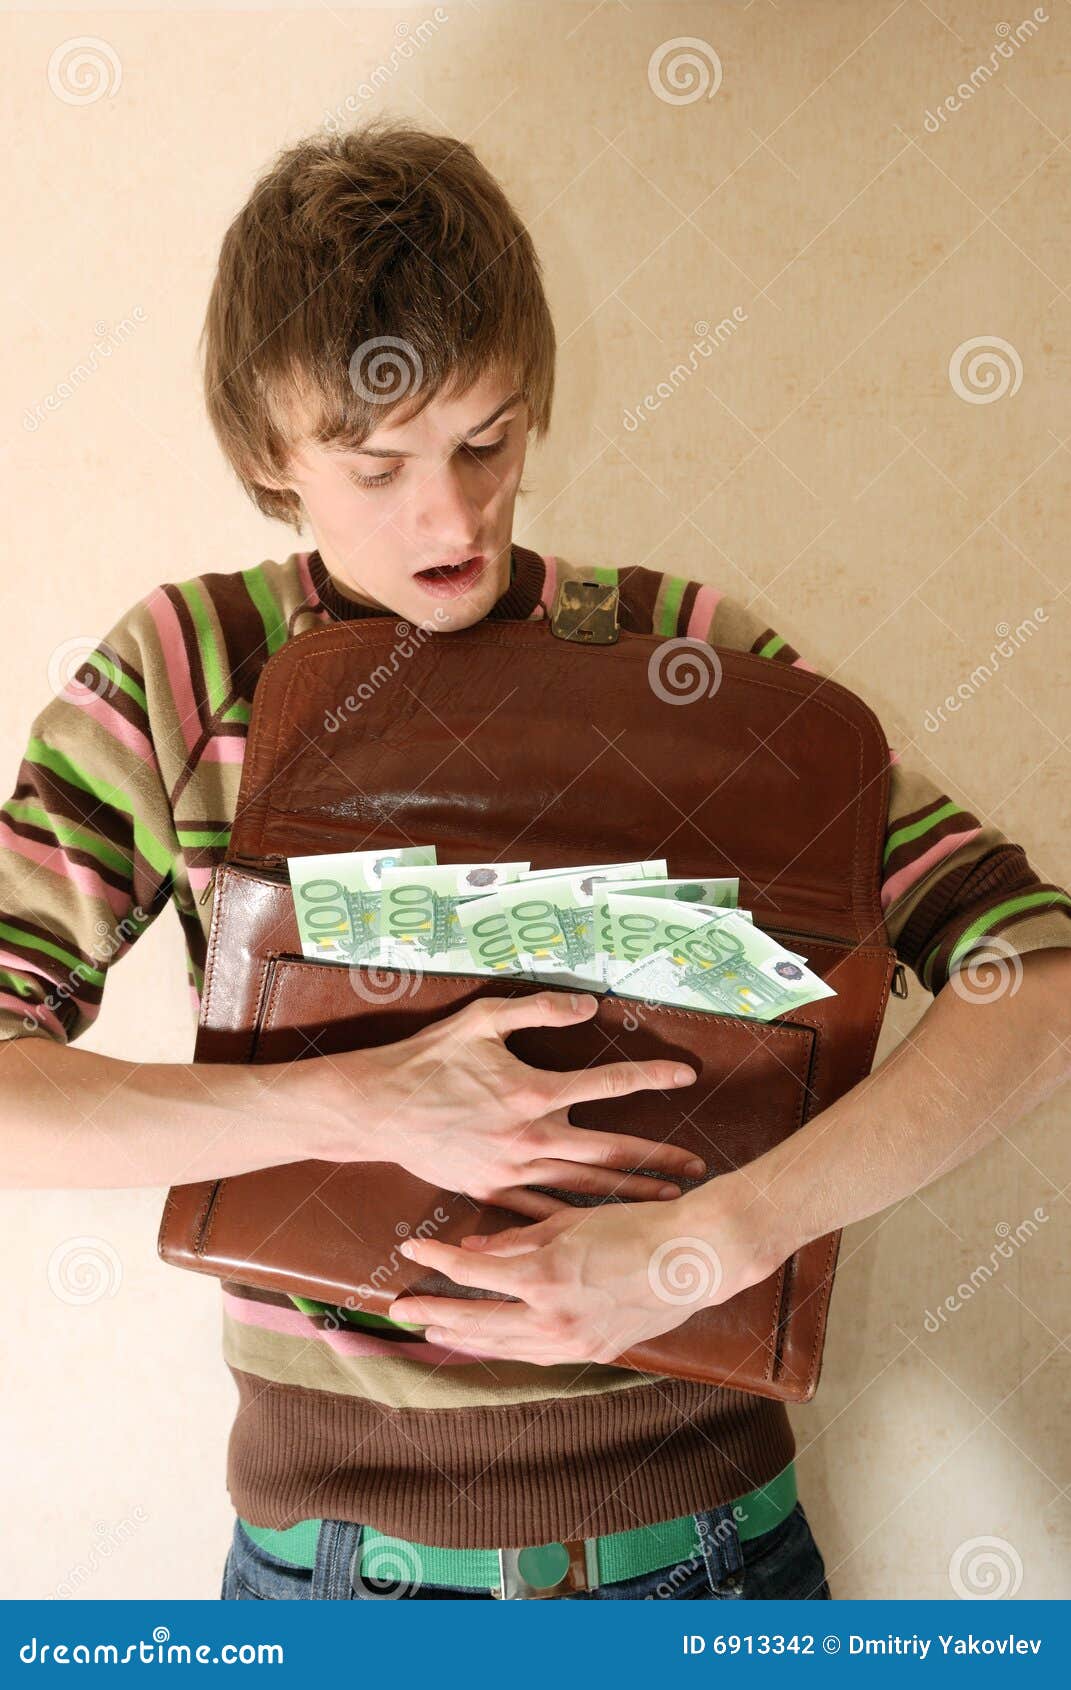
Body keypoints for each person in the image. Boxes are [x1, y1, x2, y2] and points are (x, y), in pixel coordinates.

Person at [2, 118, 1069, 1603]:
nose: (451, 518)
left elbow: (1041, 982)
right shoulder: (193, 671)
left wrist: (708, 1242)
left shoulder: (694, 658)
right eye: (375, 465)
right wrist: (363, 1100)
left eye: (488, 441)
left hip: (702, 1561)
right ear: (266, 448)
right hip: (330, 1585)